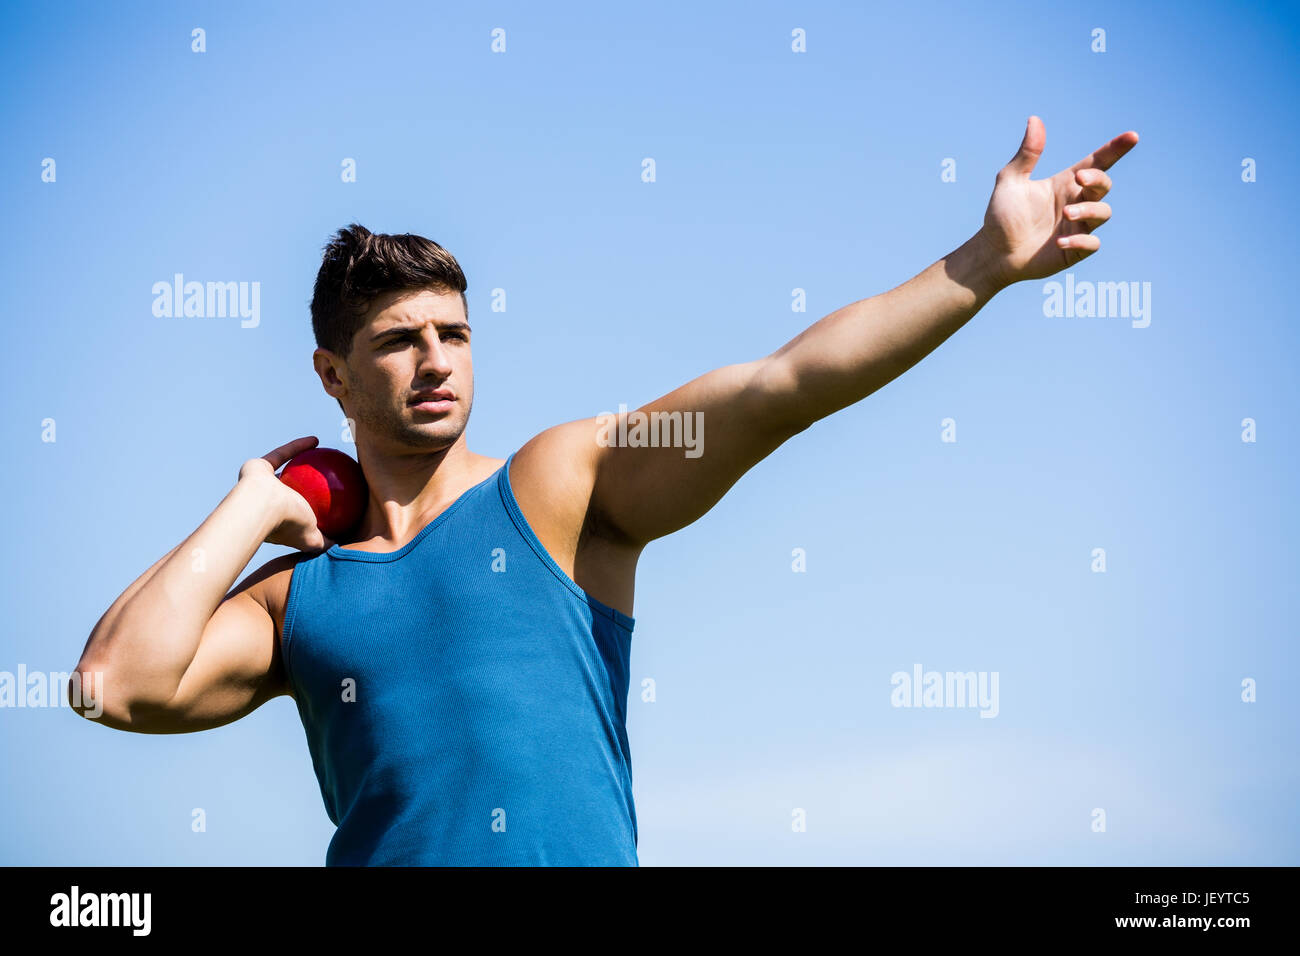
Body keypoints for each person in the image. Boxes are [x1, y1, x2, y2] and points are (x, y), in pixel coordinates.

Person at [70, 117, 1139, 865]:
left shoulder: (558, 484)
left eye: (455, 333)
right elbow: (111, 684)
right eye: (398, 341)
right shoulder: (300, 597)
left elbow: (783, 386)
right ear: (332, 375)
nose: (437, 359)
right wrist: (256, 498)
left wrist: (979, 266)